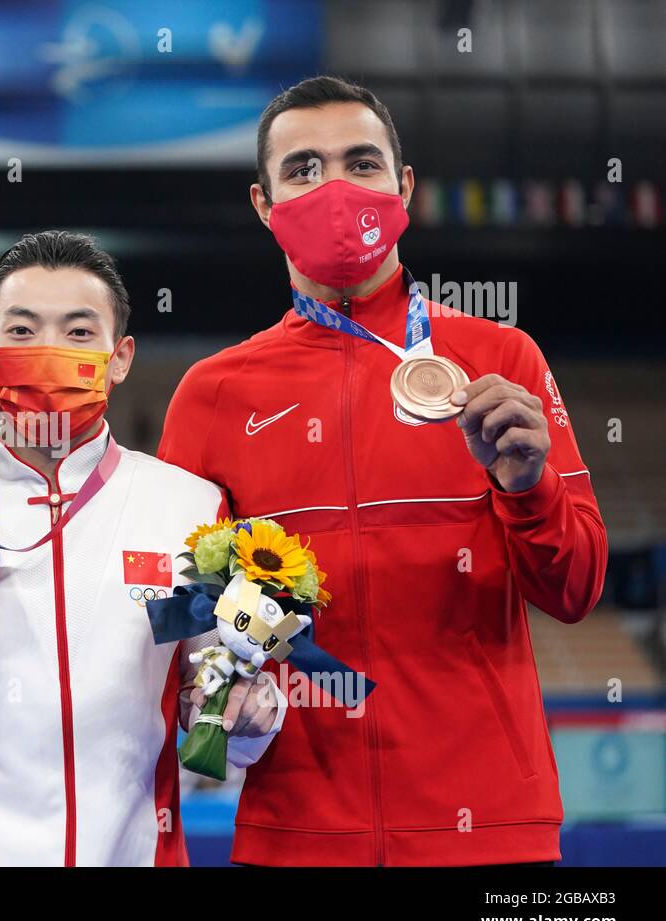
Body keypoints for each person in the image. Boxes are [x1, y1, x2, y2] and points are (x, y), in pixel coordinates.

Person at [159, 76, 607, 866]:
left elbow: (574, 591)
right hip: (294, 831)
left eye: (360, 164)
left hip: (488, 829)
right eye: (303, 170)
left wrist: (527, 490)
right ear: (264, 205)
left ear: (402, 189)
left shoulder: (501, 362)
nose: (334, 188)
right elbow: (180, 614)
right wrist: (224, 706)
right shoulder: (214, 395)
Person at [0, 231, 286, 866]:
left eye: (77, 333)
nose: (48, 351)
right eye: (21, 332)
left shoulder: (189, 509)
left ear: (120, 356)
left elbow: (215, 715)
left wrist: (256, 719)